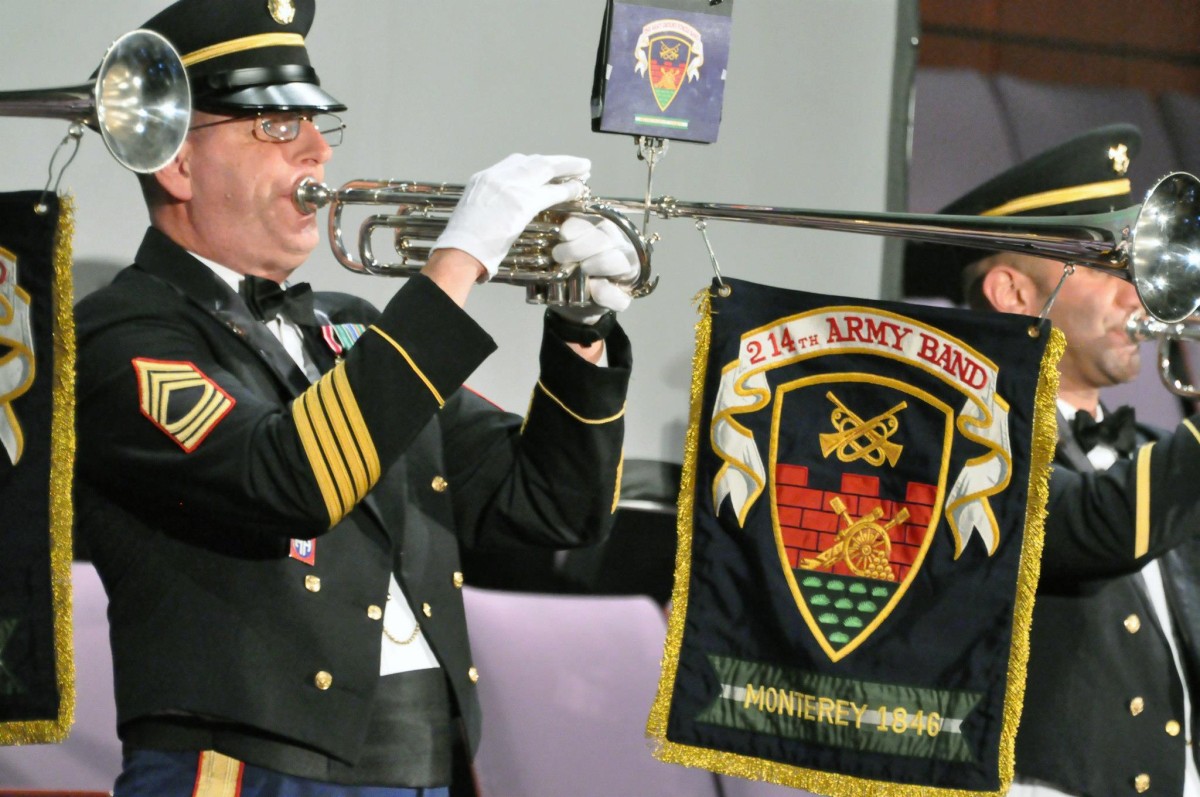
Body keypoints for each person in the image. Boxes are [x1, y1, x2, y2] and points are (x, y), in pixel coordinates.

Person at [72, 0, 642, 795]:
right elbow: (291, 480)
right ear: (177, 164)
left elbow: (551, 507)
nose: (313, 150)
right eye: (274, 125)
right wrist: (457, 265)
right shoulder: (120, 336)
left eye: (315, 122)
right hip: (243, 771)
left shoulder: (351, 330)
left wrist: (581, 322)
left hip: (422, 764)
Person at [905, 124, 1200, 797]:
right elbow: (1099, 527)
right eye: (1105, 266)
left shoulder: (1152, 453)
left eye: (1137, 269)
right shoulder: (952, 441)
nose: (1141, 295)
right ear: (1012, 294)